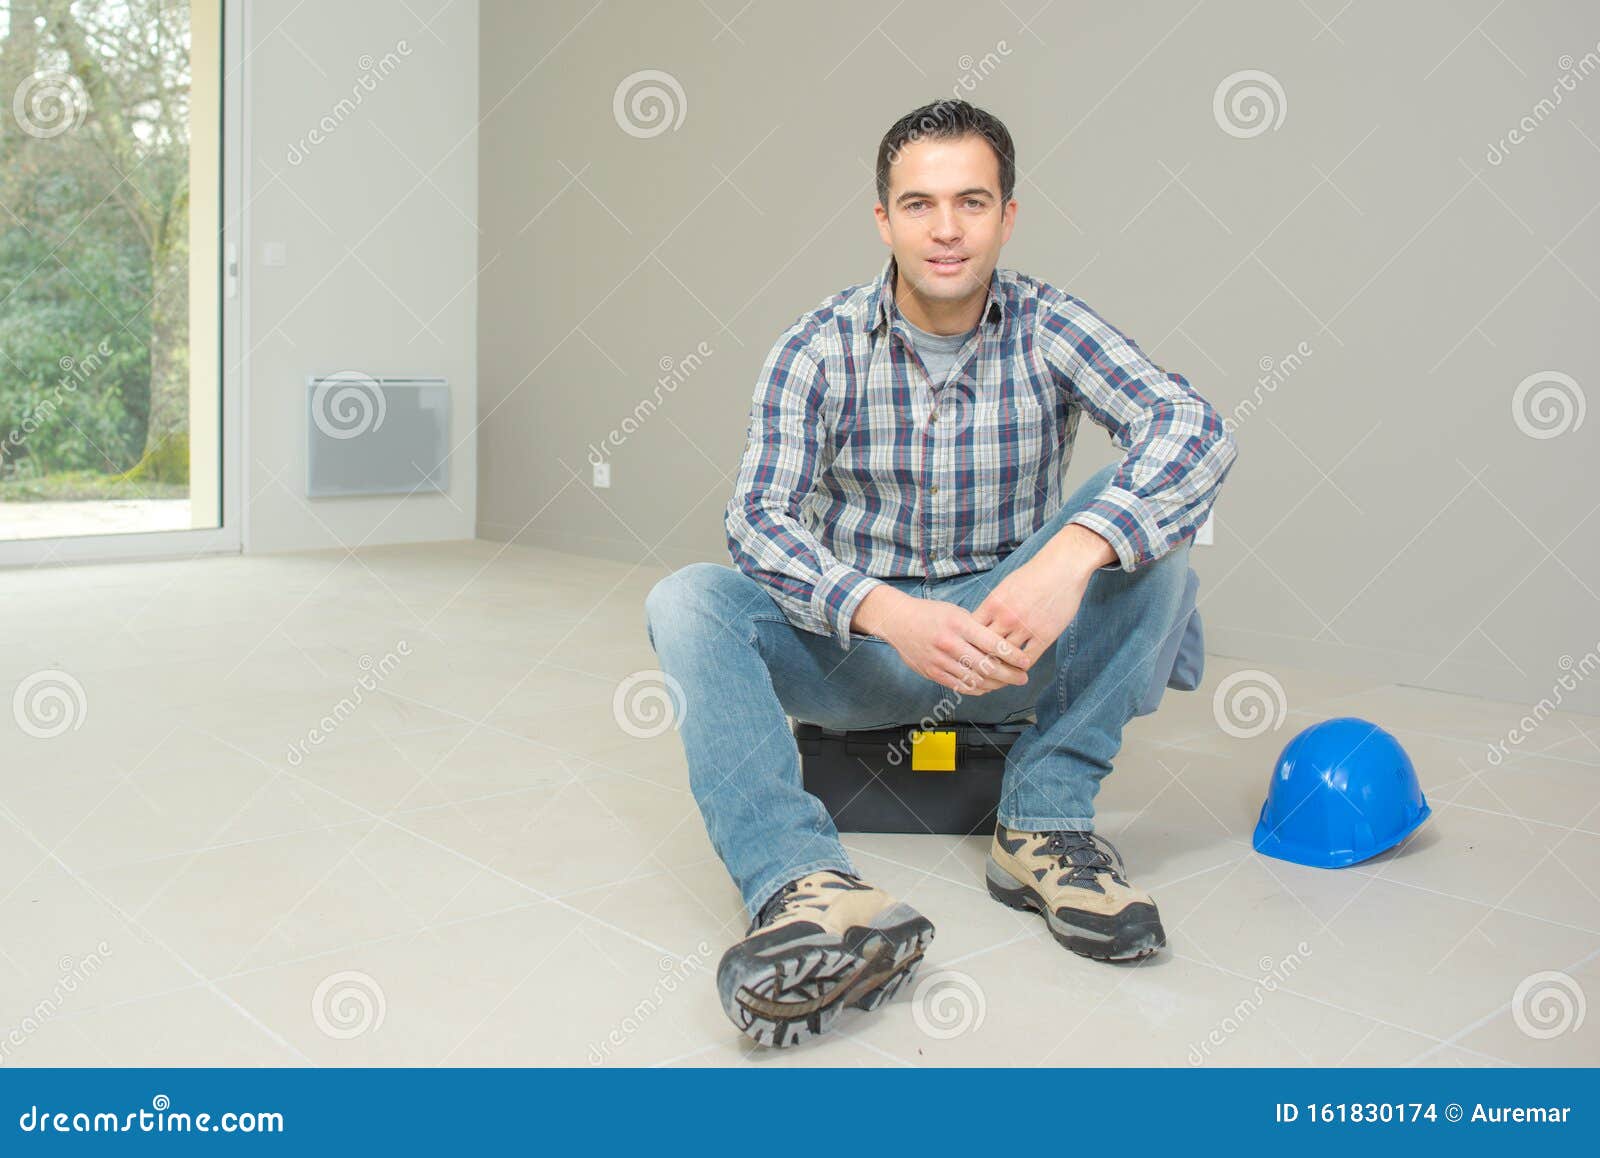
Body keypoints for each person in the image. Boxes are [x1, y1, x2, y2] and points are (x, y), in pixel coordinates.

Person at [644, 98, 1237, 1048]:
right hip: (862, 653)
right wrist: (884, 612)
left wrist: (1075, 553)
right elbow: (755, 519)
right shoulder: (817, 347)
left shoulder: (1051, 324)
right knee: (686, 600)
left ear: (1008, 215)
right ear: (884, 220)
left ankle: (1043, 827)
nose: (947, 228)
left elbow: (1191, 427)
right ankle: (804, 886)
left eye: (972, 201)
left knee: (1153, 534)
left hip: (1007, 642)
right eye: (920, 204)